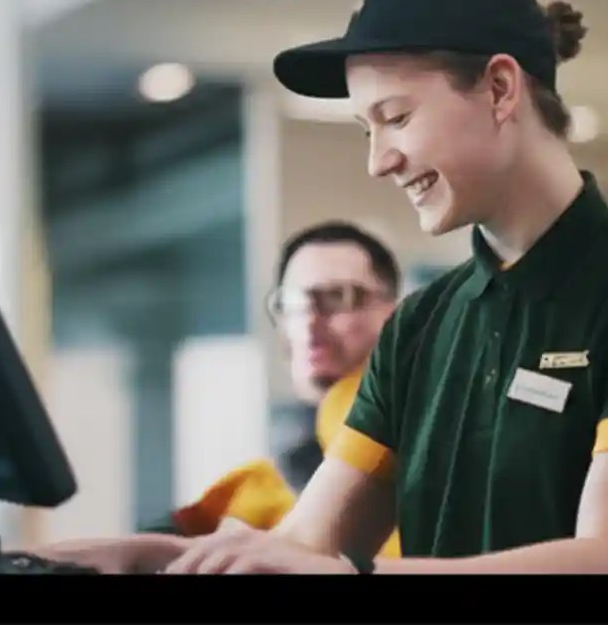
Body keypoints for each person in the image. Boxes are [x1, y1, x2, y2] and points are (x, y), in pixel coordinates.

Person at [43, 0, 608, 575]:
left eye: (397, 118)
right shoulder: (420, 326)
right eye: (367, 129)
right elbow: (306, 544)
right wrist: (146, 555)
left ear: (501, 89)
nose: (379, 161)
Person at [28, 222, 404, 571]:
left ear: (395, 311)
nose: (308, 322)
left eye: (336, 297)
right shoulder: (259, 480)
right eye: (292, 303)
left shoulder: (420, 433)